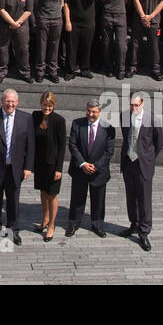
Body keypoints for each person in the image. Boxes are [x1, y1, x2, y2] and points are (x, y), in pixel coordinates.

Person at [0, 89, 35, 245]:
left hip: (15, 169)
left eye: (13, 101)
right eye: (7, 101)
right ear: (2, 101)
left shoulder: (26, 118)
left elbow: (30, 145)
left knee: (13, 201)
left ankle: (13, 231)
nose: (10, 104)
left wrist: (28, 167)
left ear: (17, 102)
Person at [121, 91, 163, 251]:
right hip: (128, 162)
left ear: (143, 104)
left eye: (136, 105)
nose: (133, 108)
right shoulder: (124, 116)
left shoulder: (152, 120)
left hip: (143, 164)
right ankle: (134, 223)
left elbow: (159, 142)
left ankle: (144, 231)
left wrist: (148, 157)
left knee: (144, 199)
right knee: (131, 196)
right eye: (131, 105)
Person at [66, 98, 114, 237]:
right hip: (80, 169)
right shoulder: (77, 124)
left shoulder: (108, 128)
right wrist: (83, 164)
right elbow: (73, 145)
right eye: (88, 111)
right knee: (77, 198)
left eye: (94, 112)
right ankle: (73, 223)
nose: (90, 114)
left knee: (98, 199)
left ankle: (97, 225)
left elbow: (109, 151)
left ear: (100, 112)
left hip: (99, 171)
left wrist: (96, 166)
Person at [31, 91, 67, 242]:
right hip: (39, 163)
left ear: (54, 105)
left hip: (53, 165)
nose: (47, 108)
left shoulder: (59, 120)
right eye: (45, 105)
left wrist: (59, 168)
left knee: (52, 194)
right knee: (43, 192)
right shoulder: (35, 116)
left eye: (50, 105)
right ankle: (44, 220)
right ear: (41, 104)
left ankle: (52, 225)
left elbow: (62, 146)